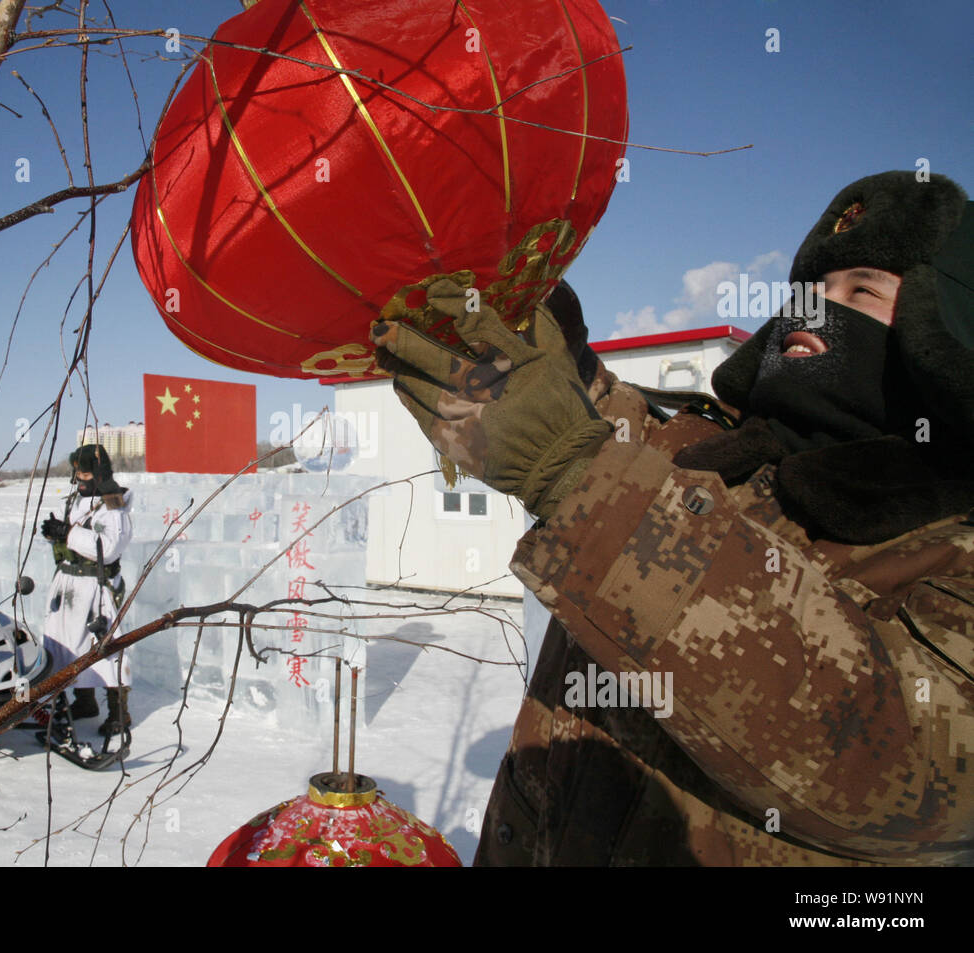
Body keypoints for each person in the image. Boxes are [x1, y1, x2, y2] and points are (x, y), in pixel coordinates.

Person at [371, 170, 974, 865]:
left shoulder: (951, 544)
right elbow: (631, 451)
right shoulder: (722, 454)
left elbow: (889, 769)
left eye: (862, 290)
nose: (813, 314)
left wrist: (574, 475)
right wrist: (559, 355)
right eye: (808, 292)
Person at [40, 444, 134, 752]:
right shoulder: (76, 499)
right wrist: (56, 533)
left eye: (86, 472)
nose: (80, 478)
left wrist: (67, 533)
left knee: (107, 647)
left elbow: (109, 548)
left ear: (99, 473)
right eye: (77, 472)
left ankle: (119, 713)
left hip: (97, 586)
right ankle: (84, 701)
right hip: (69, 583)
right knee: (65, 645)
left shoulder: (112, 504)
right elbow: (72, 536)